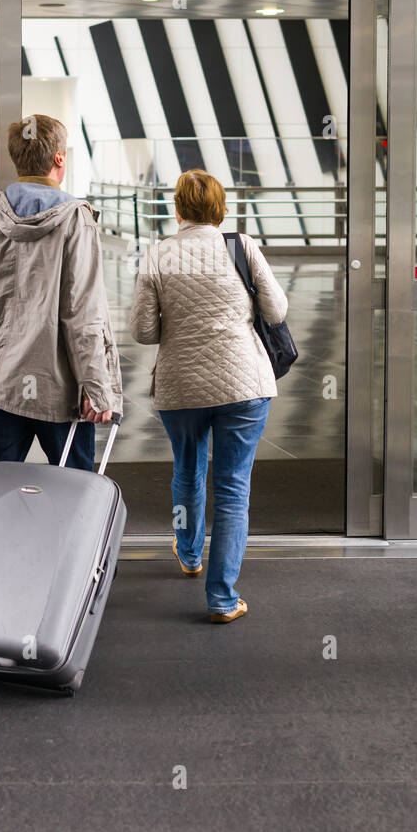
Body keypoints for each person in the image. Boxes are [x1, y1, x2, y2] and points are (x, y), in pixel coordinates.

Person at [129, 169, 288, 623]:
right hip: (243, 383)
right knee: (233, 488)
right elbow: (276, 310)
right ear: (221, 209)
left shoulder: (158, 254)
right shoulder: (241, 247)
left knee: (187, 468)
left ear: (177, 210)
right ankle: (221, 598)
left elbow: (143, 331)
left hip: (181, 386)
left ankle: (189, 552)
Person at [0, 115, 122, 481]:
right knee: (73, 495)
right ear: (59, 158)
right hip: (58, 387)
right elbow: (83, 313)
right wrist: (97, 387)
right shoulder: (76, 219)